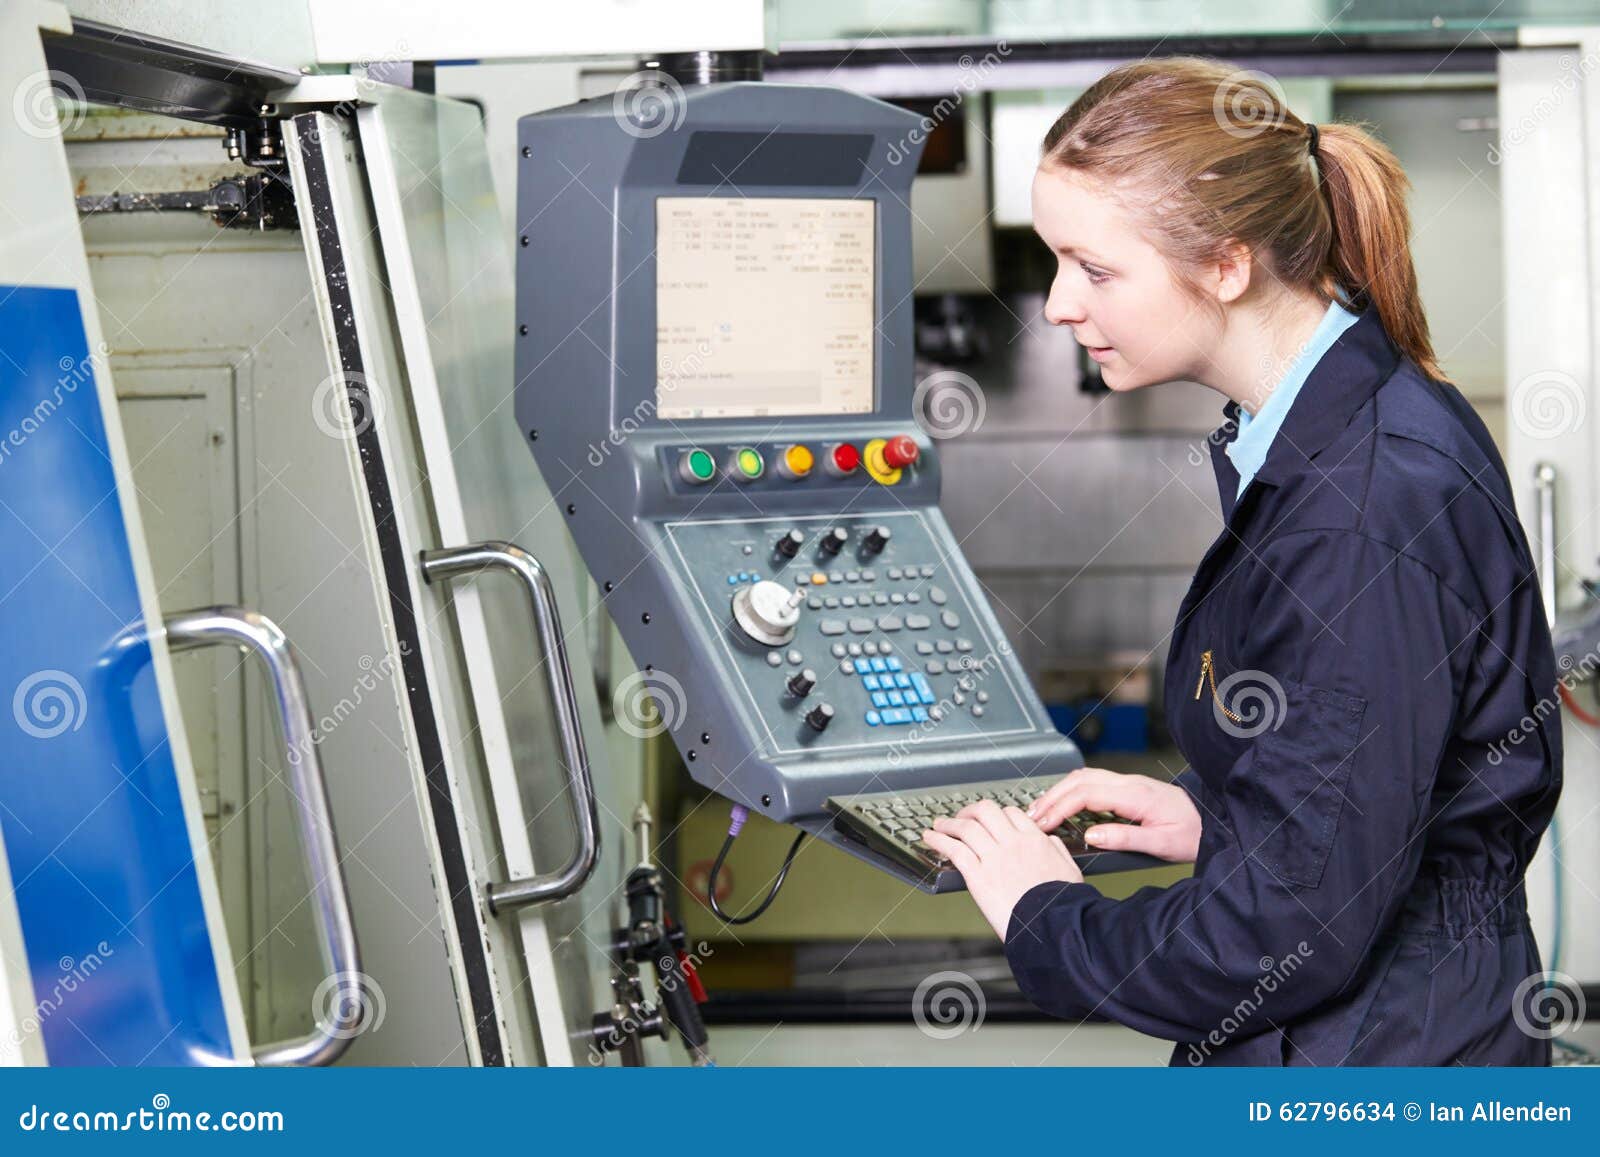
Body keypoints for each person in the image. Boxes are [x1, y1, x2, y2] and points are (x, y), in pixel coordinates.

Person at [920, 57, 1563, 1066]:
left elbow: (1276, 934)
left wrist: (1044, 915)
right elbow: (1371, 798)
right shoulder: (1353, 428)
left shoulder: (1359, 507)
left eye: (1092, 268)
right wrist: (1218, 819)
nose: (1055, 305)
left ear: (1225, 264)